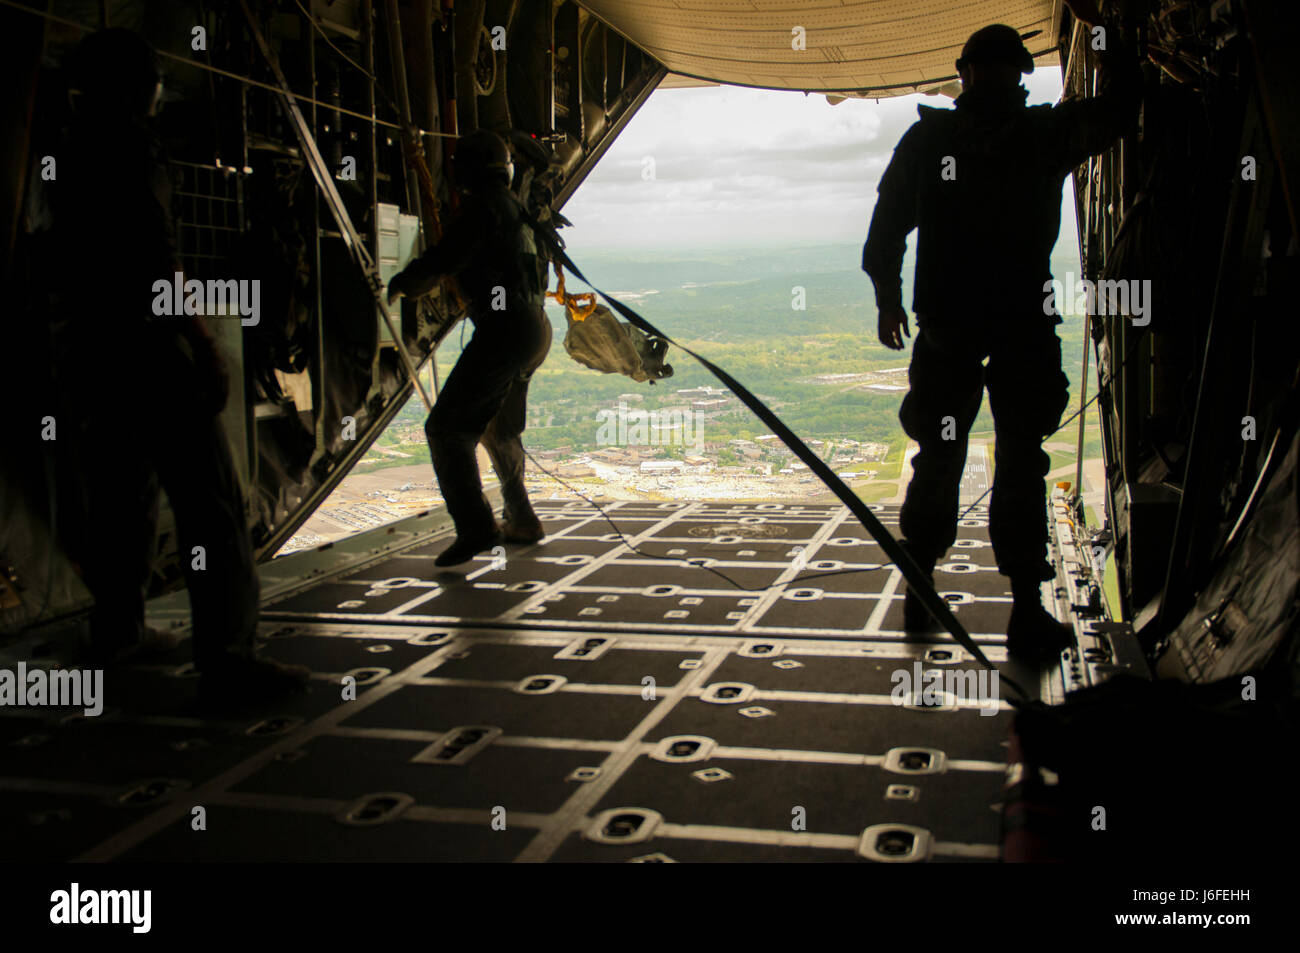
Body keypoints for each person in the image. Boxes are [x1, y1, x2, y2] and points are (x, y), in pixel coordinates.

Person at [861, 2, 1142, 664]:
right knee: (1019, 462)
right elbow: (1123, 107)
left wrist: (887, 301)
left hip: (955, 328)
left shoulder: (932, 142)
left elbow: (886, 229)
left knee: (943, 455)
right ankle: (1022, 609)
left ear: (965, 76)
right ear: (1020, 77)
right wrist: (1102, 30)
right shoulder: (1043, 136)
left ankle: (924, 585)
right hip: (1015, 326)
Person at [47, 29, 307, 702]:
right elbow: (155, 264)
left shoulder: (70, 154)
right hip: (150, 352)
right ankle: (228, 656)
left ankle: (120, 628)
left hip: (95, 354)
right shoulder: (135, 151)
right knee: (213, 504)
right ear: (142, 91)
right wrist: (204, 344)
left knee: (121, 497)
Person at [387, 128, 551, 567]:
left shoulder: (482, 208)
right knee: (499, 428)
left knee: (447, 431)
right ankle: (522, 518)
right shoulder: (515, 205)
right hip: (535, 328)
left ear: (466, 170)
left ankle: (477, 527)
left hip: (507, 331)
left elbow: (442, 261)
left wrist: (400, 283)